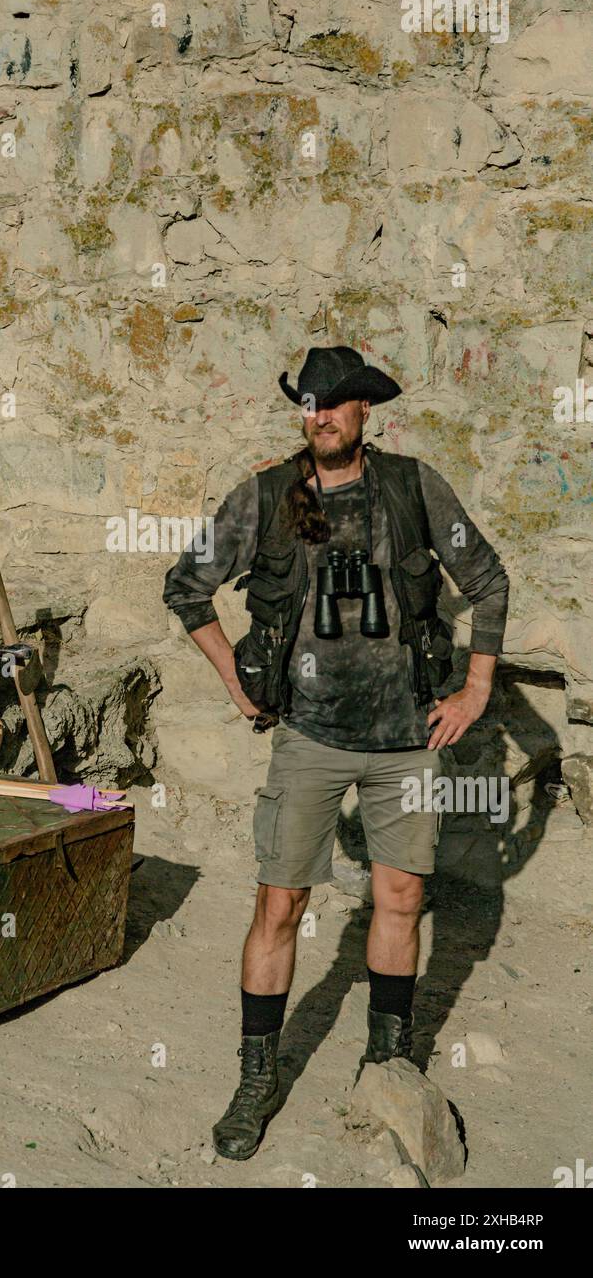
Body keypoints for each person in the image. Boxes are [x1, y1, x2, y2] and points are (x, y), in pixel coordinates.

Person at [162, 345, 509, 1162]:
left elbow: (488, 580)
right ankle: (258, 1075)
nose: (319, 415)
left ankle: (386, 1064)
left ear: (363, 414)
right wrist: (234, 682)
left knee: (400, 898)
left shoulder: (413, 487)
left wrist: (477, 692)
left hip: (406, 741)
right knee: (279, 905)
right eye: (309, 403)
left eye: (334, 403)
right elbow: (186, 585)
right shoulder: (266, 496)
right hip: (308, 739)